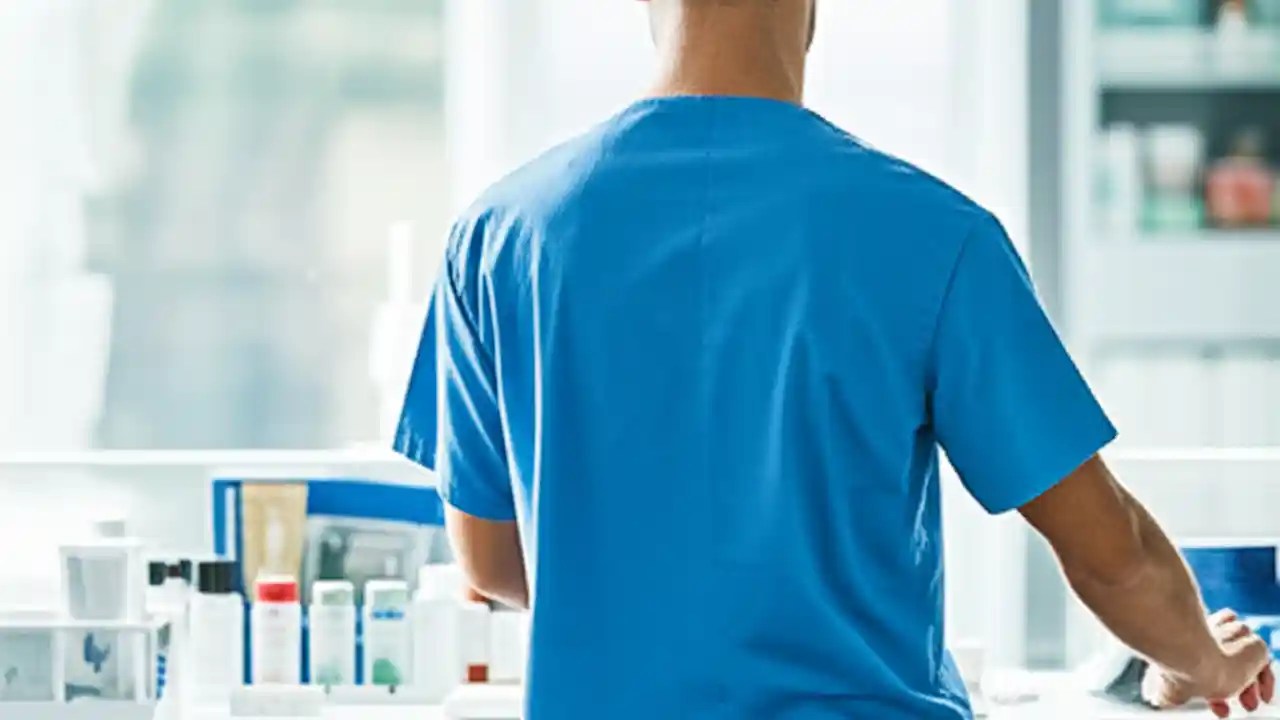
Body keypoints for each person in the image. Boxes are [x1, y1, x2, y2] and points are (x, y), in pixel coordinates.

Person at [394, 1, 1274, 717]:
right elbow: (1112, 556)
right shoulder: (935, 235)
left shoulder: (498, 236)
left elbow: (494, 563)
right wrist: (1201, 659)